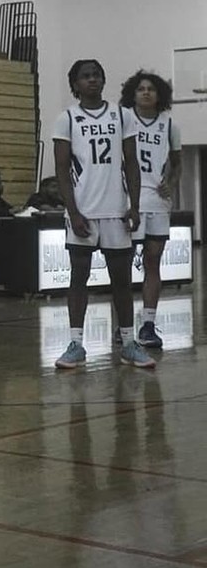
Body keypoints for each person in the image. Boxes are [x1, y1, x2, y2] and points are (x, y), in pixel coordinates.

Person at [53, 59, 154, 370]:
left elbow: (132, 163)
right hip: (83, 211)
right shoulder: (67, 118)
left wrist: (134, 205)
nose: (92, 80)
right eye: (86, 76)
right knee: (78, 279)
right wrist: (73, 212)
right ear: (75, 84)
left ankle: (128, 343)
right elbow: (61, 170)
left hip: (116, 211)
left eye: (96, 75)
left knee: (122, 281)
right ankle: (76, 344)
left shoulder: (123, 115)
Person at [119, 69, 182, 349]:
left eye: (151, 89)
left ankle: (147, 324)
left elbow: (177, 164)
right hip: (128, 200)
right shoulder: (122, 119)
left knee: (153, 262)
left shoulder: (169, 125)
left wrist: (171, 182)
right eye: (141, 88)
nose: (146, 92)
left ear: (160, 95)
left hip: (157, 201)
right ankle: (122, 325)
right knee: (121, 265)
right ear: (132, 94)